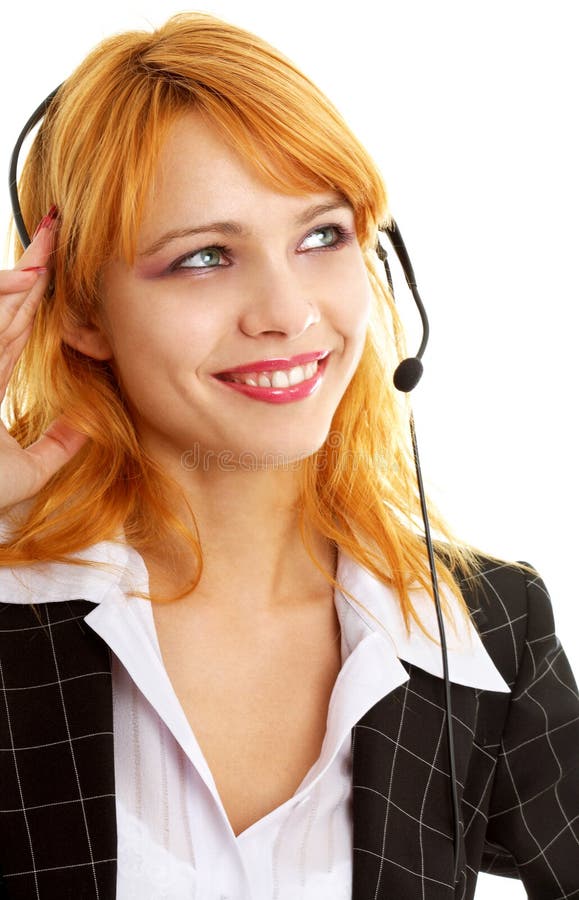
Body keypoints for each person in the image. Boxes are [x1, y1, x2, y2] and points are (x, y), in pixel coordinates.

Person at [0, 12, 577, 900]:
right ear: (78, 310)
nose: (287, 312)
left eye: (320, 236)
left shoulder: (486, 626)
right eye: (204, 256)